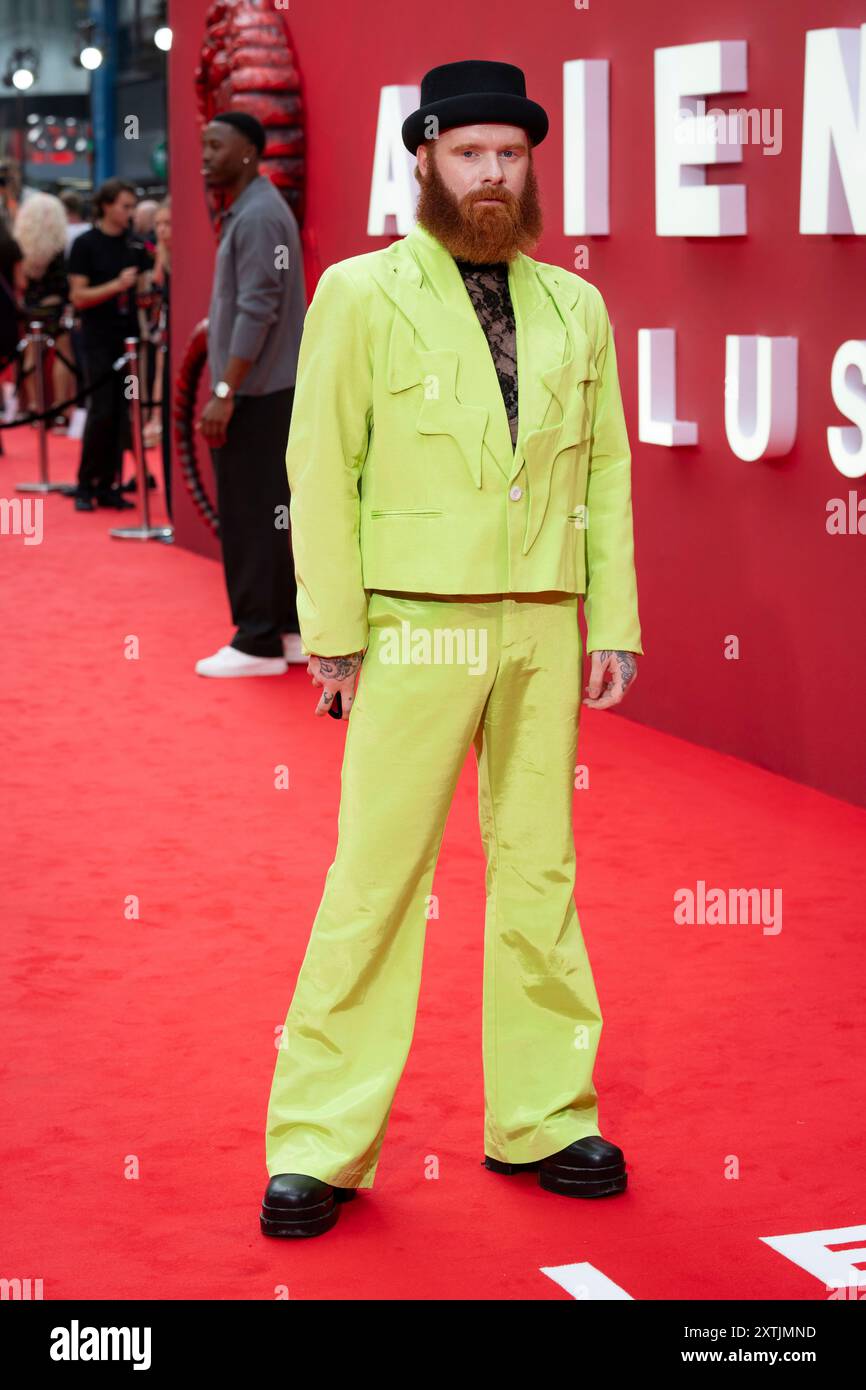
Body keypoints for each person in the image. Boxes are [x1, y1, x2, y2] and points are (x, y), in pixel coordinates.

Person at [261, 60, 643, 1239]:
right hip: (409, 623)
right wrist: (332, 635)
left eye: (509, 155)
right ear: (424, 160)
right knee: (375, 881)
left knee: (541, 873)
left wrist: (611, 617)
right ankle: (318, 1139)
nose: (490, 174)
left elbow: (606, 473)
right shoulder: (358, 292)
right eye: (469, 152)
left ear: (529, 169)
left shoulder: (575, 306)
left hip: (539, 620)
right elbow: (320, 465)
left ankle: (544, 1113)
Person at [194, 111, 306, 677]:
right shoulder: (253, 209)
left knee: (251, 516)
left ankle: (257, 642)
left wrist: (224, 389)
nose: (205, 155)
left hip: (256, 396)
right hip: (268, 393)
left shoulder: (258, 215)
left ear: (247, 152)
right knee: (272, 514)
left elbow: (258, 307)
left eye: (216, 145)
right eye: (203, 145)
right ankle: (286, 632)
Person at [67, 178, 154, 511]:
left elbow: (149, 285)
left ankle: (109, 484)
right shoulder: (85, 244)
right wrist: (116, 286)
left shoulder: (134, 245)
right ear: (106, 206)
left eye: (132, 206)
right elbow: (78, 296)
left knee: (122, 414)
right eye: (124, 206)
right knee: (101, 411)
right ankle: (86, 484)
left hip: (128, 340)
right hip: (97, 339)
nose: (129, 212)